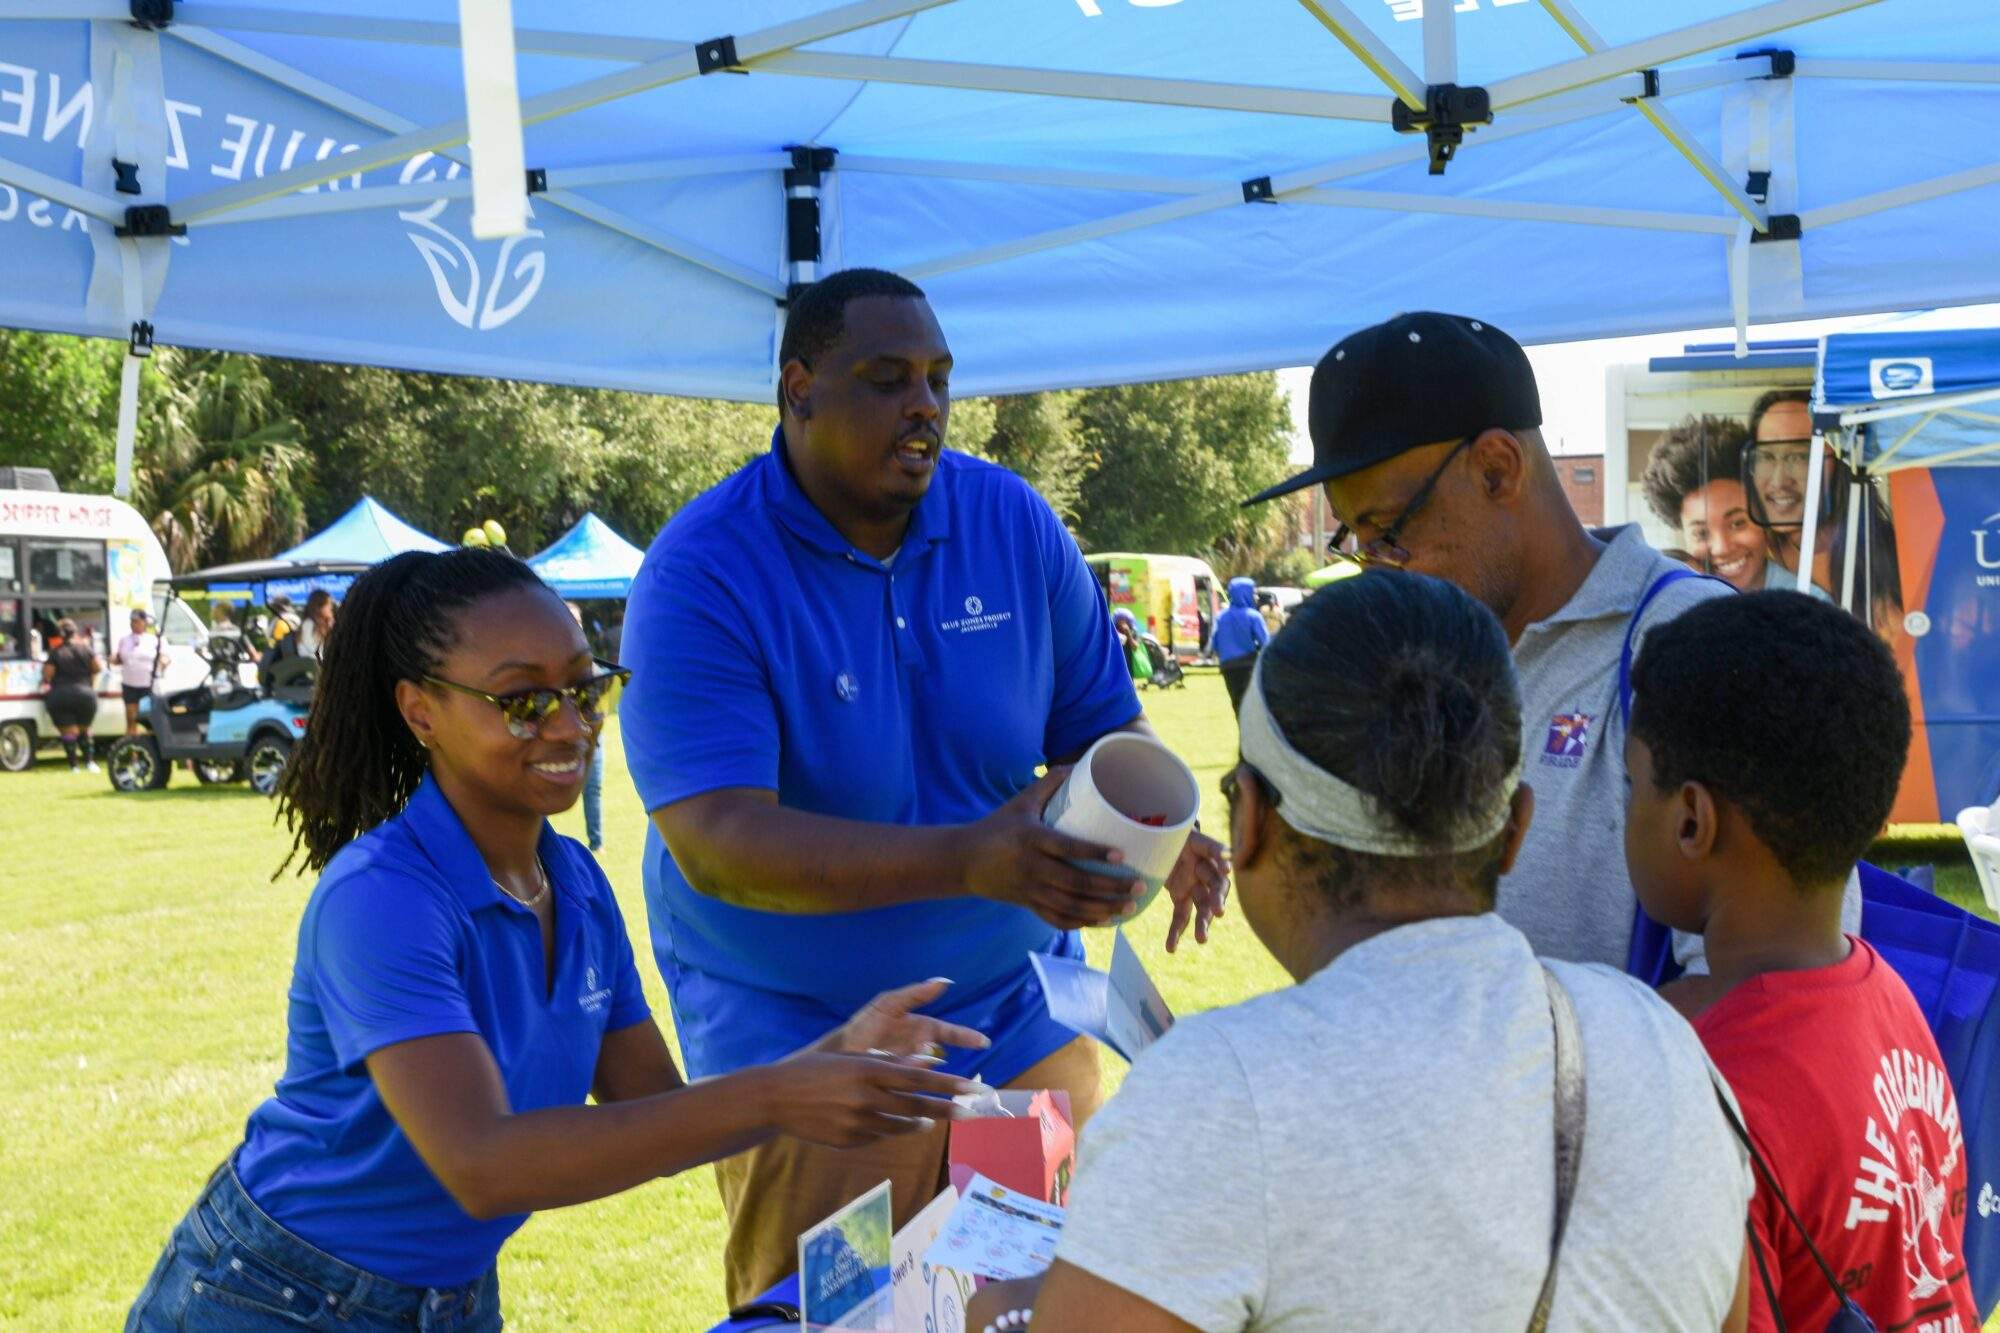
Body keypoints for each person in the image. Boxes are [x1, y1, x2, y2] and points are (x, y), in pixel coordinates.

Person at [125, 548, 981, 1333]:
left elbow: (653, 1104)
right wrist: (779, 1095)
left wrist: (831, 1058)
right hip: (273, 1295)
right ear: (421, 711)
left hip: (450, 1299)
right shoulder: (383, 897)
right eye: (523, 702)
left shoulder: (573, 883)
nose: (571, 726)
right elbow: (484, 1164)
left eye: (584, 688)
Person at [620, 267, 1230, 1307]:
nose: (925, 405)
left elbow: (1101, 726)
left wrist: (1158, 830)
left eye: (939, 379)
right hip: (815, 1043)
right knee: (845, 1315)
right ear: (799, 390)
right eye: (887, 378)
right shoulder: (702, 572)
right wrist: (970, 860)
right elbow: (718, 842)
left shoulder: (1010, 523)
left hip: (1019, 1015)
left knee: (1019, 1303)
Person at [974, 570, 1752, 1330]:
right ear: (1515, 828)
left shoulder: (1218, 1098)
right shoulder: (1666, 1049)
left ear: (1250, 821)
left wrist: (1002, 1312)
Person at [1242, 311, 1738, 971]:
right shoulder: (1424, 663)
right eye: (1356, 542)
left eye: (1388, 532)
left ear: (1497, 469)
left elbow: (1766, 989)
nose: (1377, 571)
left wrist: (1540, 1034)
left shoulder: (1691, 641)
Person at [1624, 591, 1978, 1331]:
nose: (1626, 809)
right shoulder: (1885, 994)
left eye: (1632, 786)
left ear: (1691, 820)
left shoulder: (1711, 1100)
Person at [1641, 415, 1823, 595]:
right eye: (1701, 533)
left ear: (1764, 520)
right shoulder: (1672, 602)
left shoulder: (1809, 602)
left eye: (1738, 523)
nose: (1722, 548)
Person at [568, 601, 607, 853]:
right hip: (573, 739)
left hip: (592, 736)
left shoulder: (590, 662)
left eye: (579, 621)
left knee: (593, 790)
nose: (576, 625)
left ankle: (597, 842)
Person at [41, 617, 102, 771]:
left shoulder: (56, 652)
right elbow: (97, 668)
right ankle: (90, 762)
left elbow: (48, 674)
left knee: (69, 731)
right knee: (85, 729)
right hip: (85, 694)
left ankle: (74, 765)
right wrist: (90, 682)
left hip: (61, 695)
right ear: (75, 632)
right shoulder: (86, 649)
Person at [1211, 575, 1269, 716]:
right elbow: (1266, 643)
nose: (1255, 597)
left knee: (1237, 703)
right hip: (1248, 665)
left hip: (1228, 667)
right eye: (1253, 592)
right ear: (1245, 593)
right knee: (1255, 703)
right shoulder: (1253, 616)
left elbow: (1215, 644)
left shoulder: (1220, 617)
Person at [111, 608, 168, 735]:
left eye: (137, 621)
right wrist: (113, 659)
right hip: (130, 684)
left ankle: (152, 743)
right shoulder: (124, 640)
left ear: (144, 622)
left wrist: (164, 662)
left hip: (148, 685)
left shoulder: (154, 639)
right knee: (131, 717)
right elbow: (119, 659)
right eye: (132, 621)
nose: (133, 624)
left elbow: (164, 657)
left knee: (149, 718)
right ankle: (132, 744)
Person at [1112, 609, 1153, 684]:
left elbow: (1135, 646)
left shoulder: (1132, 631)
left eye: (1125, 621)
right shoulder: (1113, 632)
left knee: (1129, 681)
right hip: (1117, 663)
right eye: (1121, 621)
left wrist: (1128, 633)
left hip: (1128, 663)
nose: (1123, 623)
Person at [297, 589, 335, 660]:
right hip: (308, 664)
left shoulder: (323, 624)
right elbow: (312, 651)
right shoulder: (308, 624)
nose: (331, 607)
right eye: (328, 604)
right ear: (319, 607)